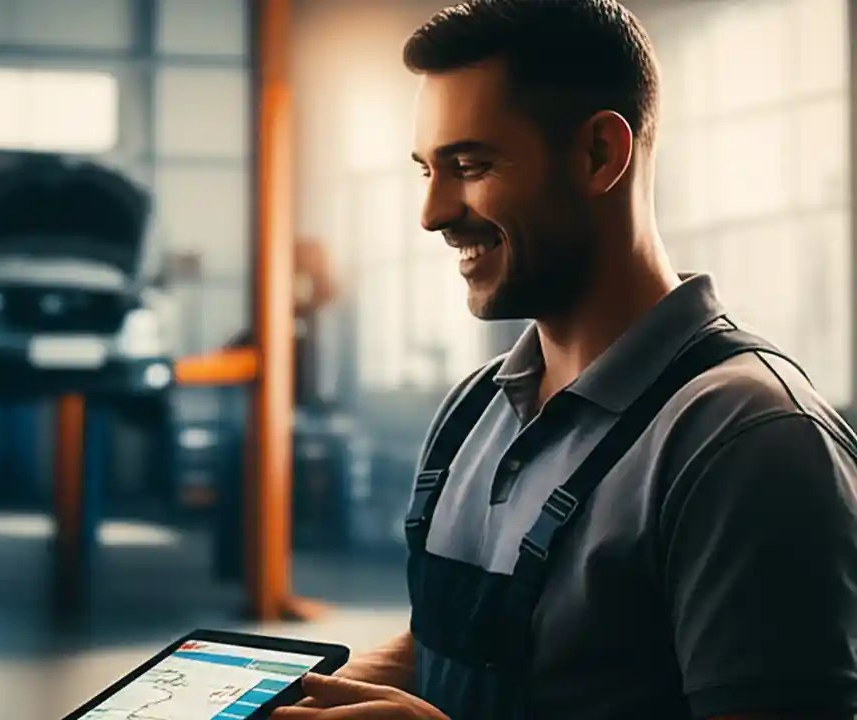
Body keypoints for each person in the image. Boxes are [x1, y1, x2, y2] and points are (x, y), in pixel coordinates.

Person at [274, 1, 857, 719]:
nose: (430, 212)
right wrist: (302, 699)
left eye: (470, 165)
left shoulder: (751, 443)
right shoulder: (475, 411)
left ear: (599, 156)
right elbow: (476, 644)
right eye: (427, 169)